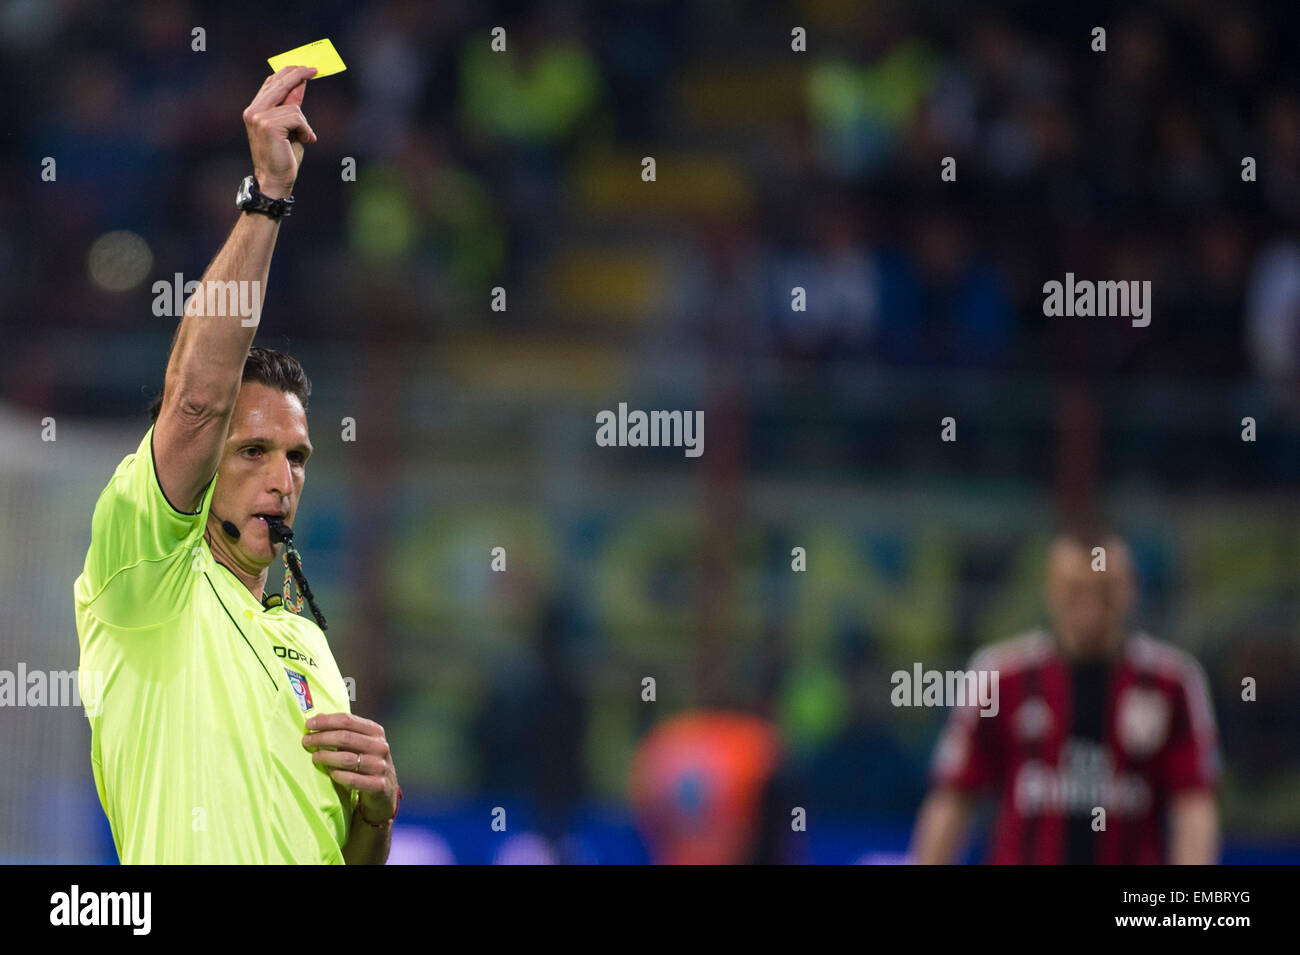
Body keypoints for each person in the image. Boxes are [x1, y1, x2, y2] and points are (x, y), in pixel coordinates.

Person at [74, 66, 400, 863]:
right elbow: (193, 402)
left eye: (296, 455)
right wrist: (266, 196)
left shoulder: (309, 645)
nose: (282, 475)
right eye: (252, 450)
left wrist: (375, 815)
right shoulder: (143, 579)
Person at [911, 530, 1220, 864]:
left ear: (1131, 589)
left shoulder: (1172, 682)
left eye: (1104, 591)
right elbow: (954, 796)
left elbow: (1193, 806)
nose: (1089, 607)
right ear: (1050, 590)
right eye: (1075, 591)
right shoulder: (999, 676)